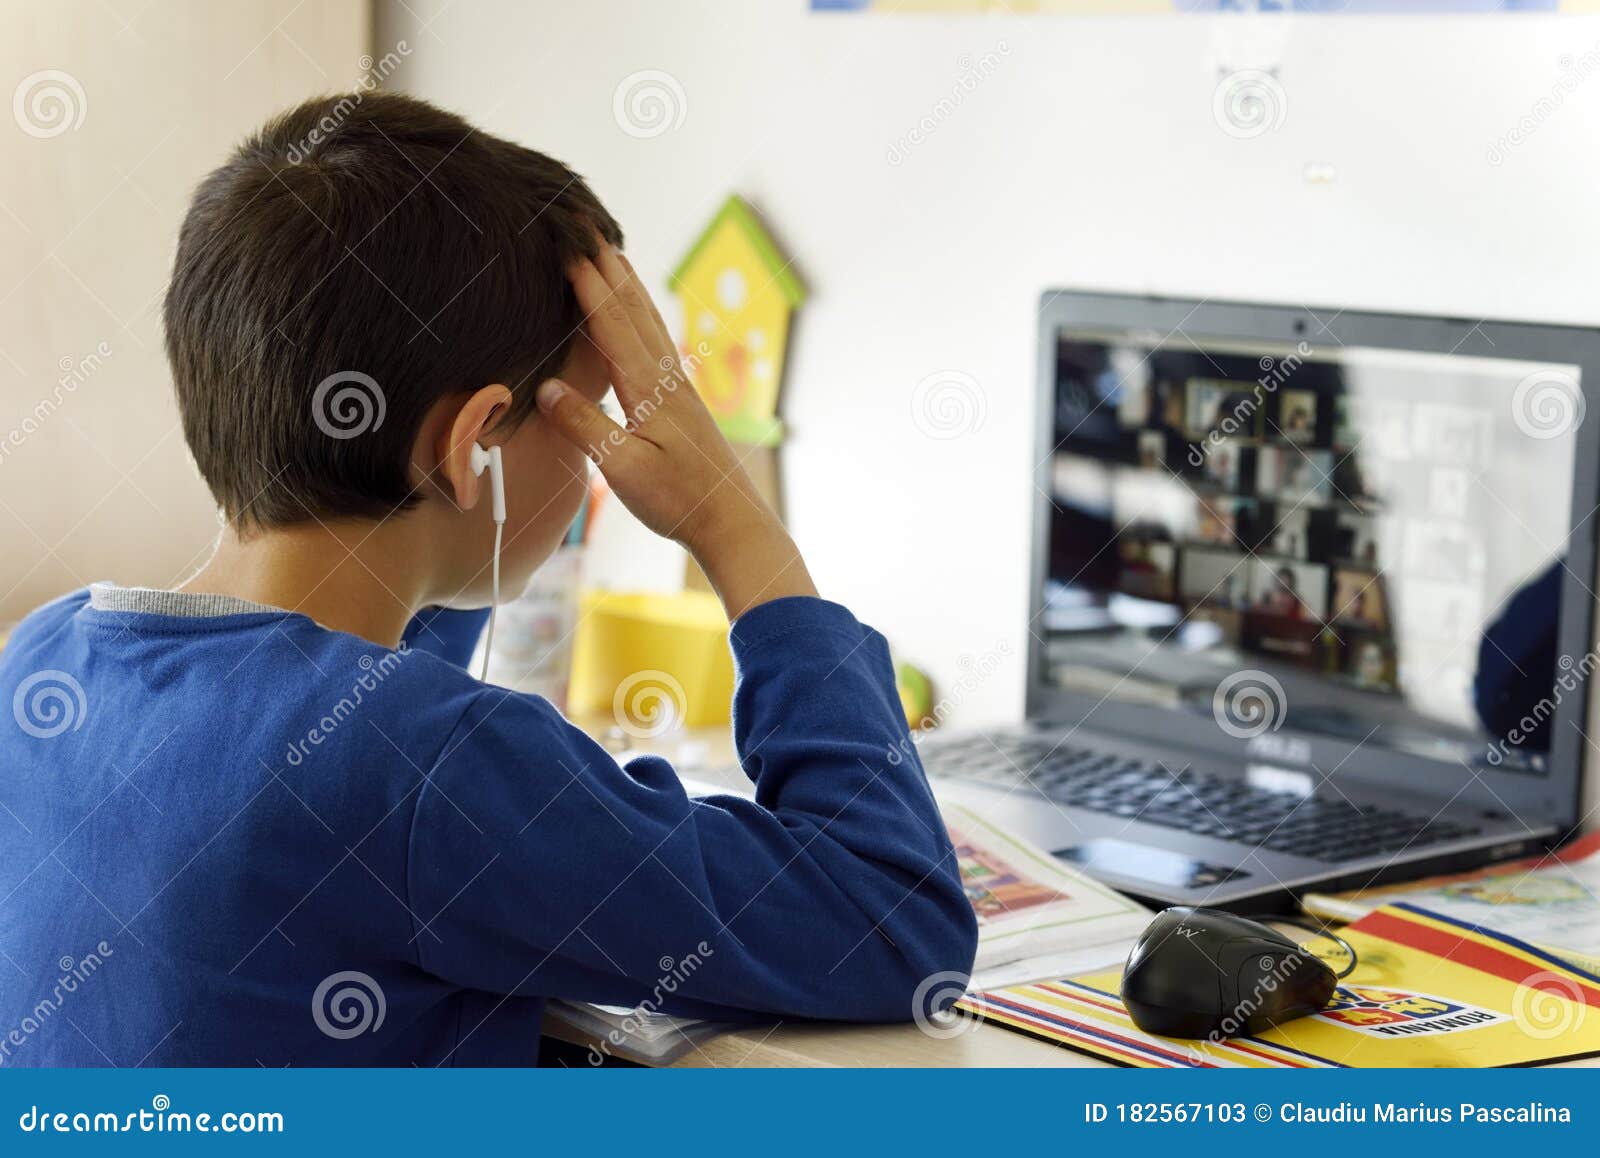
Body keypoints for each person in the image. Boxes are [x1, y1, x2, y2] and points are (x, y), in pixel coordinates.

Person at [0, 93, 976, 1066]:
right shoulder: (420, 764)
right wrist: (733, 523)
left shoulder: (42, 657)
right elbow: (891, 921)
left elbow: (348, 656)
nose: (604, 461)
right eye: (591, 421)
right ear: (474, 447)